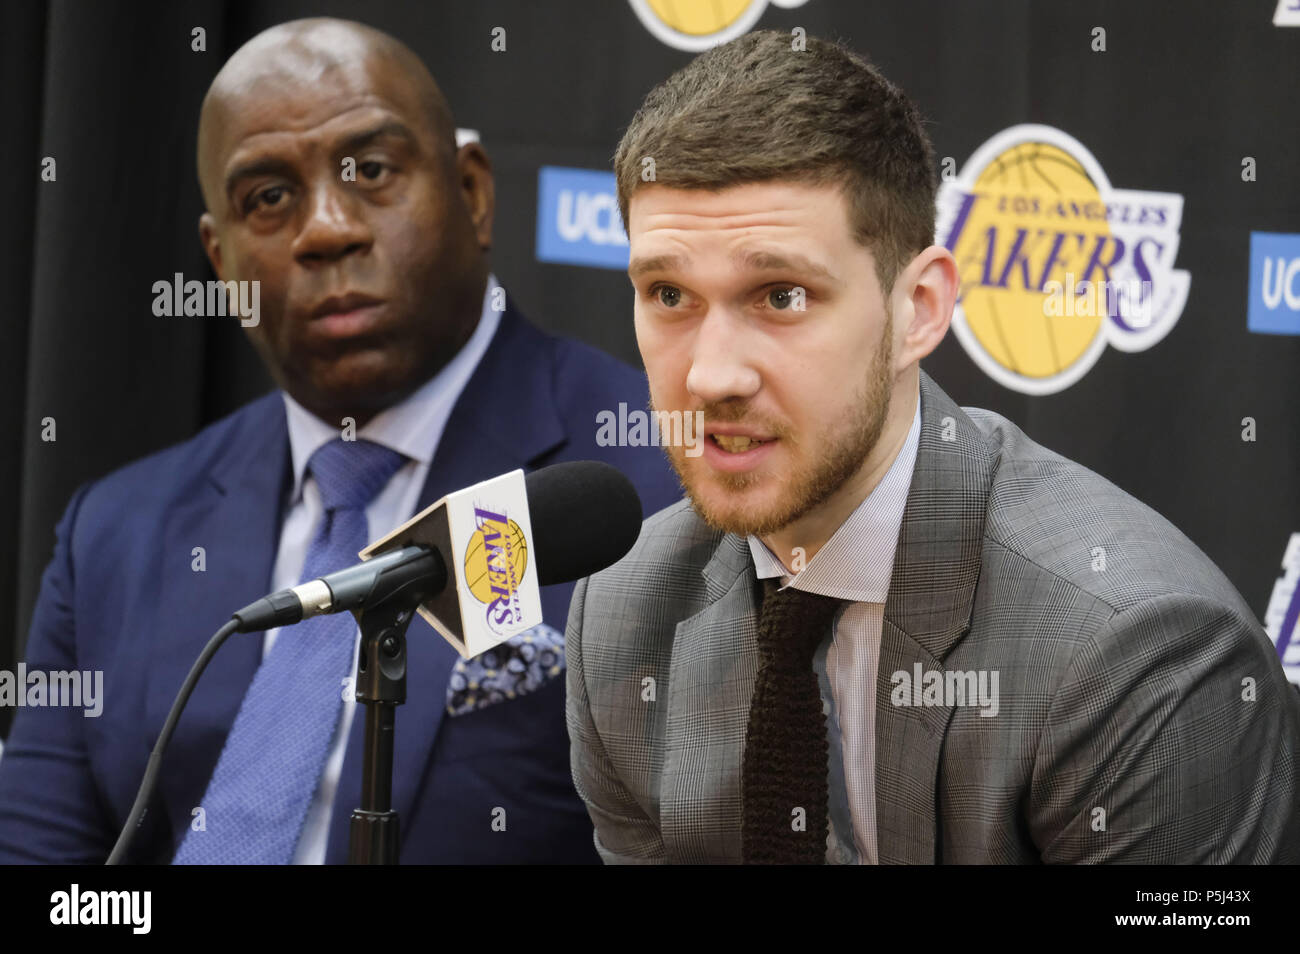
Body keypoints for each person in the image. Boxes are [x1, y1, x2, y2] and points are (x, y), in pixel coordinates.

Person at [565, 29, 1300, 864]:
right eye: (668, 294)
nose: (711, 375)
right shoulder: (627, 615)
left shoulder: (1134, 654)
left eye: (780, 294)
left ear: (918, 308)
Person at [0, 18, 680, 864]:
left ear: (472, 193)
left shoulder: (655, 486)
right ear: (221, 260)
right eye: (269, 198)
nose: (325, 230)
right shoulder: (116, 531)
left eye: (372, 171)